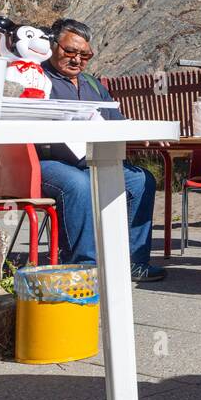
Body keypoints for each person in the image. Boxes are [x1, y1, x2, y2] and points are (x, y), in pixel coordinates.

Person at [38, 19, 164, 282]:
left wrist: (145, 135)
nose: (77, 60)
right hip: (45, 161)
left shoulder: (93, 85)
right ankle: (84, 267)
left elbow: (117, 122)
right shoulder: (36, 78)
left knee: (141, 180)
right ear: (52, 45)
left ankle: (133, 262)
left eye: (85, 55)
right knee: (79, 184)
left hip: (91, 160)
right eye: (70, 51)